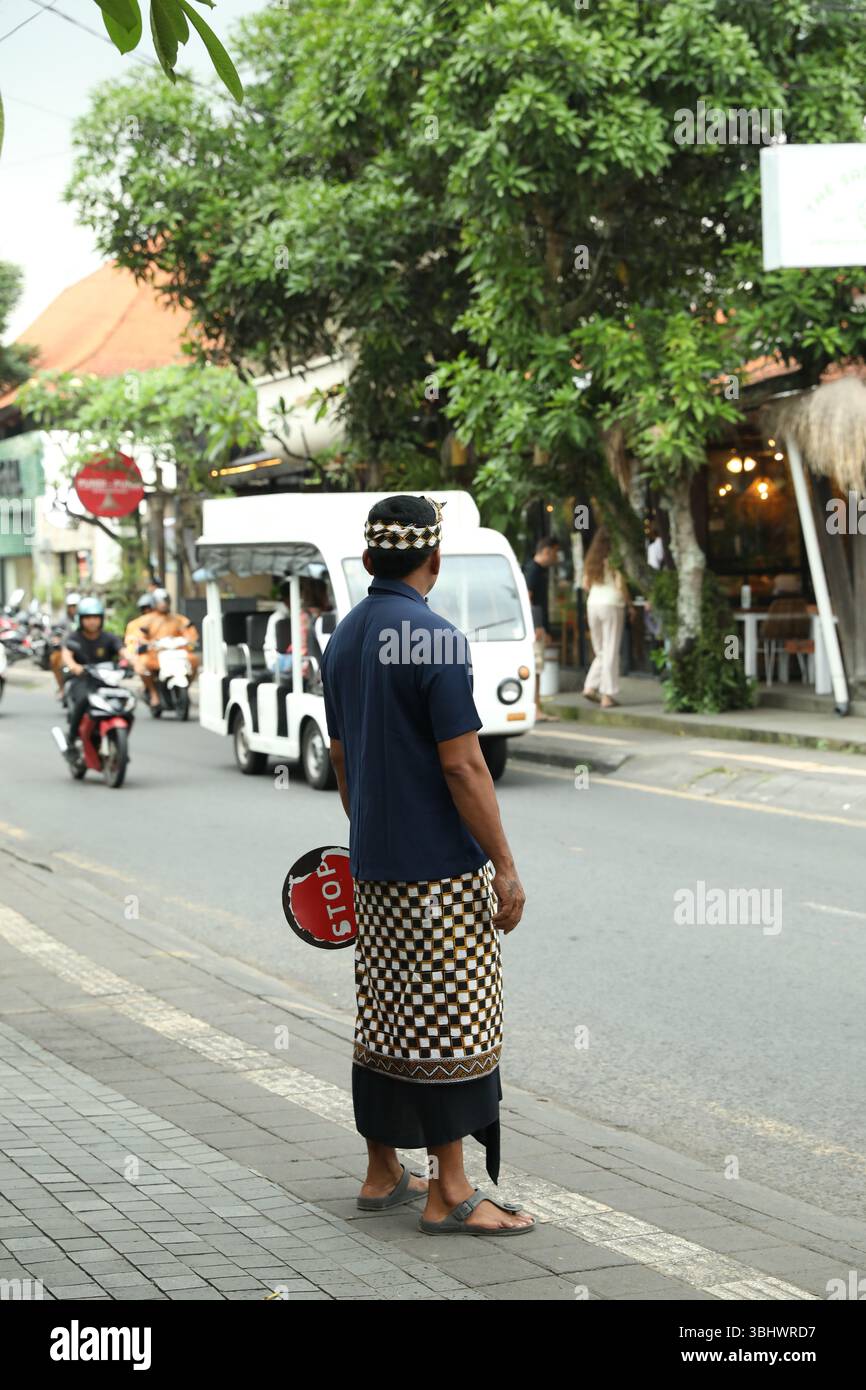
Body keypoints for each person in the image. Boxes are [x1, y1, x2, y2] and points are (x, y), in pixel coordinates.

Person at [321, 494, 534, 1237]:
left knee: (385, 1015)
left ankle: (383, 1170)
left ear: (370, 558)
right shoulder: (435, 638)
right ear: (433, 561)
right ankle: (449, 1188)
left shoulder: (343, 639)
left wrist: (370, 833)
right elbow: (465, 767)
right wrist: (504, 865)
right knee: (451, 1023)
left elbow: (343, 758)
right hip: (439, 872)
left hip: (374, 867)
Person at [61, 597, 124, 755]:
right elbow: (67, 654)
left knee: (123, 701)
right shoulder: (74, 638)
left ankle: (117, 740)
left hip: (105, 680)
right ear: (81, 619)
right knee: (84, 699)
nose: (92, 622)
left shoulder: (109, 638)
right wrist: (74, 667)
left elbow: (123, 652)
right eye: (88, 618)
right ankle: (72, 738)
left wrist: (133, 662)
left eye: (96, 617)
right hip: (82, 680)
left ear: (101, 619)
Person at [581, 526, 632, 709]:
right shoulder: (615, 559)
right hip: (612, 604)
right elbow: (620, 586)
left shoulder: (591, 559)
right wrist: (630, 604)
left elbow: (585, 585)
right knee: (610, 650)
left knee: (601, 650)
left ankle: (589, 686)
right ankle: (607, 695)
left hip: (593, 604)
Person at [133, 588, 199, 709]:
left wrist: (190, 640)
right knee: (142, 663)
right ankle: (153, 693)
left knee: (194, 660)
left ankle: (185, 688)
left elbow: (189, 632)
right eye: (160, 602)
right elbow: (138, 636)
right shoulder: (147, 619)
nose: (163, 604)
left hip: (175, 653)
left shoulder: (178, 619)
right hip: (155, 654)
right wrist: (147, 643)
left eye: (165, 601)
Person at [522, 536, 560, 722]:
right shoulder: (533, 570)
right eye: (555, 552)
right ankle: (535, 709)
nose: (557, 556)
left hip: (537, 626)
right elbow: (528, 597)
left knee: (537, 668)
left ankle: (537, 707)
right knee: (536, 667)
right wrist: (537, 625)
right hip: (533, 627)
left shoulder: (537, 570)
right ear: (546, 551)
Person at [263, 577, 328, 680]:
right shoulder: (281, 617)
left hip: (296, 656)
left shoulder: (308, 615)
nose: (300, 600)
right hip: (279, 658)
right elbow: (298, 648)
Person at [49, 591, 80, 695]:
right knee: (55, 659)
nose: (73, 609)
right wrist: (56, 639)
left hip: (82, 649)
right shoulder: (63, 621)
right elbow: (55, 634)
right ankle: (62, 686)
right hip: (65, 649)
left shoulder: (84, 619)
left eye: (75, 606)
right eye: (71, 606)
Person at [122, 593, 155, 665]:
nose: (147, 611)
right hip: (140, 659)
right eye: (144, 609)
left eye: (149, 609)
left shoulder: (161, 623)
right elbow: (130, 645)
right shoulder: (133, 625)